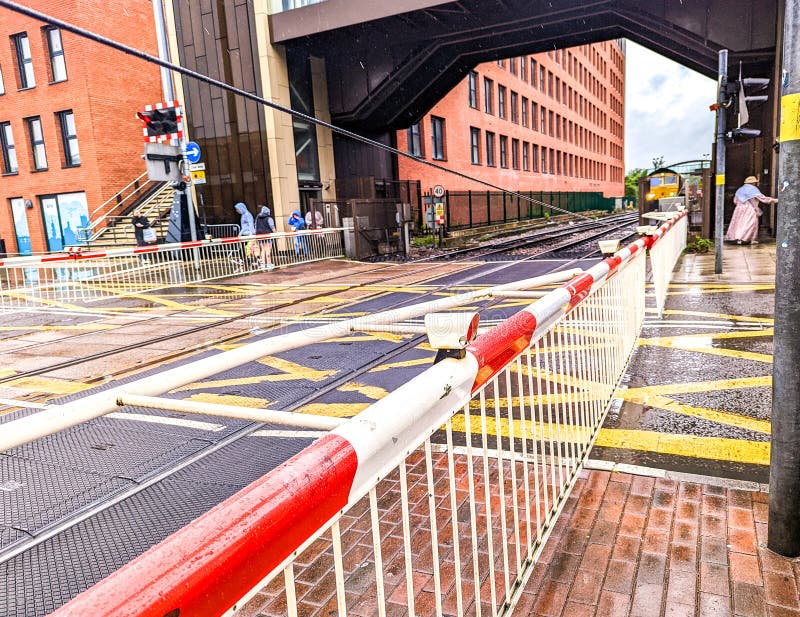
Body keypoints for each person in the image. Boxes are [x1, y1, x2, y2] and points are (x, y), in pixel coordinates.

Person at [724, 176, 778, 245]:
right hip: (749, 209)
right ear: (753, 183)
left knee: (739, 224)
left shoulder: (740, 189)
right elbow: (763, 199)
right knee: (750, 224)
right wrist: (775, 200)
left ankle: (739, 238)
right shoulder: (753, 189)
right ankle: (748, 239)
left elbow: (735, 201)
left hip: (739, 209)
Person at [255, 205, 276, 270]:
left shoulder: (258, 218)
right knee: (268, 250)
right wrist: (276, 233)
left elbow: (255, 227)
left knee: (263, 250)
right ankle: (269, 264)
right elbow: (272, 227)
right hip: (267, 235)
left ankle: (263, 265)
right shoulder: (269, 218)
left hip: (260, 235)